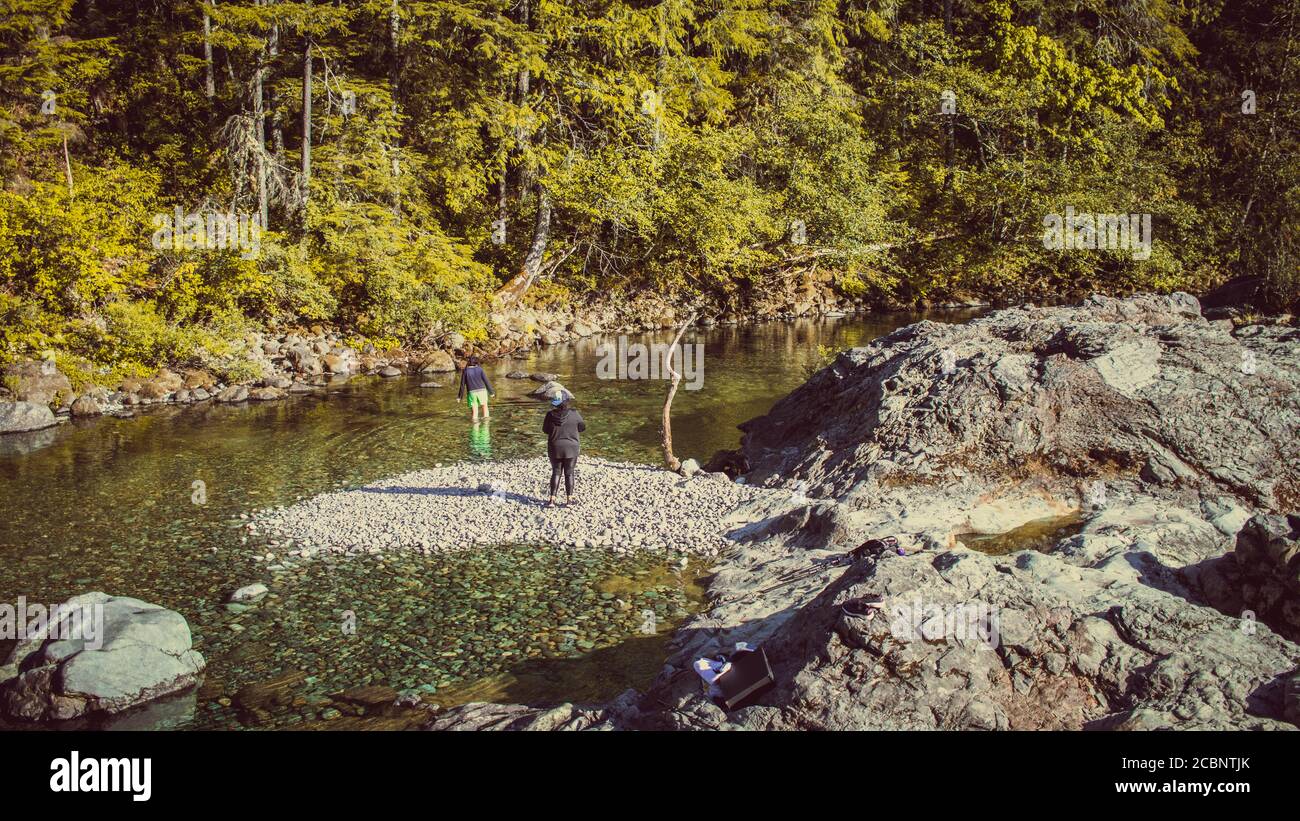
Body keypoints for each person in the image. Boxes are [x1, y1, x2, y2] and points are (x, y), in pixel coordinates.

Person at [542, 394, 585, 507]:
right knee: (569, 473)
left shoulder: (549, 415)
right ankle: (569, 501)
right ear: (566, 402)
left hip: (555, 447)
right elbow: (582, 428)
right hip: (572, 448)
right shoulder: (575, 414)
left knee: (556, 472)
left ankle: (552, 500)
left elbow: (545, 430)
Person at [456, 355, 495, 422]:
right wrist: (491, 392)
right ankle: (485, 427)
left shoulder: (465, 371)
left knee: (475, 412)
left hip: (472, 393)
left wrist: (460, 397)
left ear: (468, 362)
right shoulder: (480, 369)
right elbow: (486, 381)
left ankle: (475, 430)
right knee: (485, 408)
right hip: (482, 391)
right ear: (476, 362)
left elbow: (462, 385)